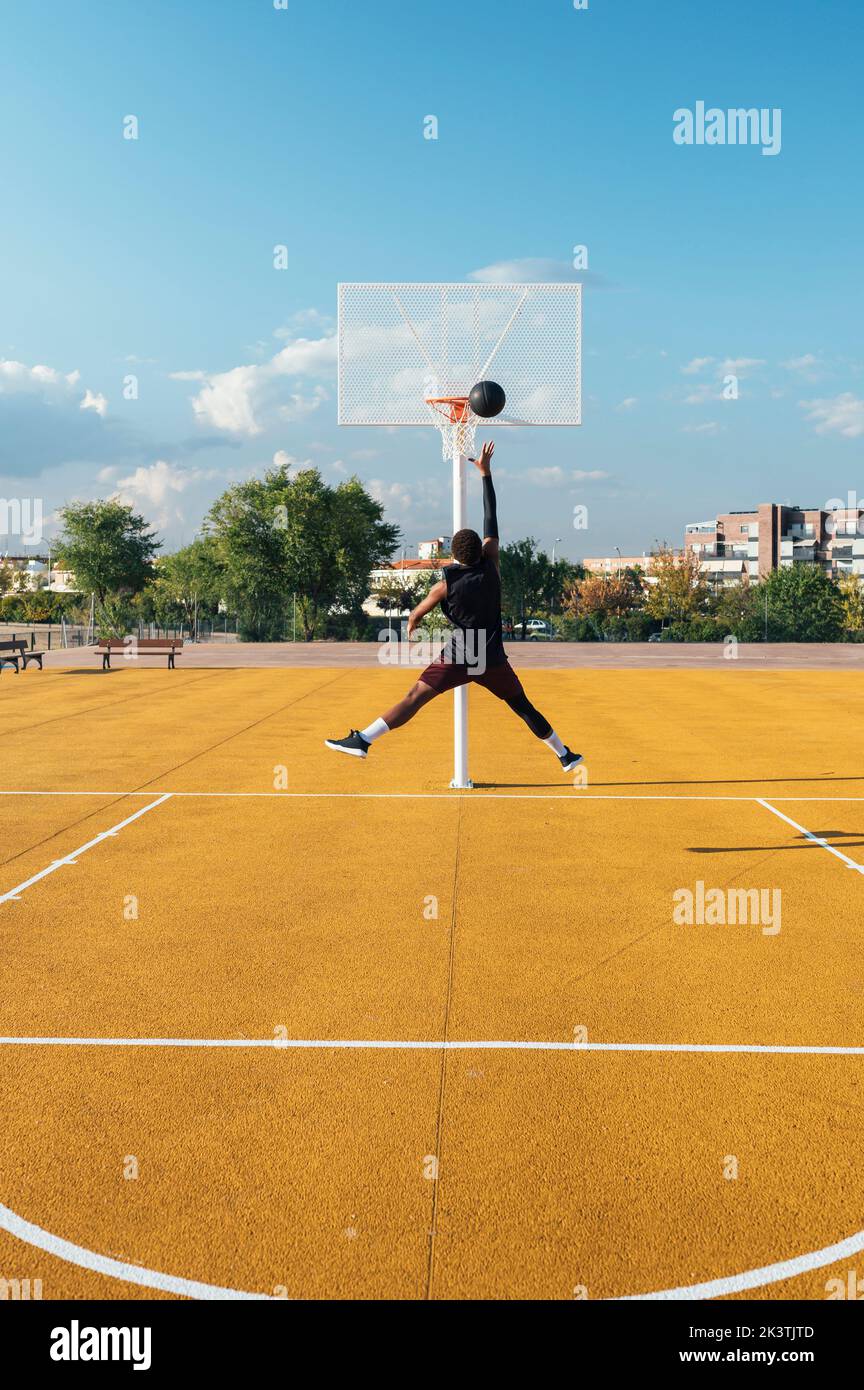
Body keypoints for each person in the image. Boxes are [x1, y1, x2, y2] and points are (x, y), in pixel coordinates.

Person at [325, 441, 581, 773]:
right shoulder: (492, 566)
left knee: (414, 697)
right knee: (521, 705)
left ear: (455, 557)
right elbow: (491, 517)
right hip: (492, 657)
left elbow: (420, 610)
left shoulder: (445, 585)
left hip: (461, 655)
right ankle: (564, 755)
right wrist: (486, 474)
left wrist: (413, 620)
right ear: (482, 550)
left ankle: (363, 741)